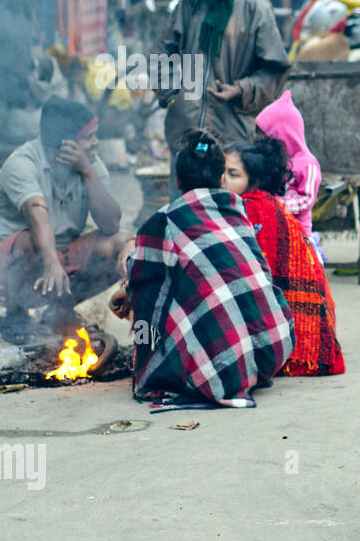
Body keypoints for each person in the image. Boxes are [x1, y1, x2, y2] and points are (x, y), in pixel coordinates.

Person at [118, 130, 293, 408]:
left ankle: (154, 373)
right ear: (222, 178)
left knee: (146, 286)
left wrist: (129, 286)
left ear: (177, 181)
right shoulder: (238, 212)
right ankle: (241, 363)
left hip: (222, 372)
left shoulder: (163, 221)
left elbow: (146, 288)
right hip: (273, 348)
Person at [0, 97, 128, 344]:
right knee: (29, 240)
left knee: (120, 242)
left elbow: (111, 224)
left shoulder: (90, 165)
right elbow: (37, 218)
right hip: (4, 272)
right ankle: (15, 315)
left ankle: (58, 311)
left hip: (56, 260)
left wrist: (88, 173)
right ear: (65, 144)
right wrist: (51, 263)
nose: (96, 142)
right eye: (89, 136)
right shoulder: (22, 163)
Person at [151, 0, 290, 199]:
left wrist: (239, 89)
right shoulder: (189, 3)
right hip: (186, 135)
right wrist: (170, 93)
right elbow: (160, 52)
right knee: (185, 215)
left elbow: (274, 71)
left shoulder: (256, 9)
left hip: (233, 139)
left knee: (229, 217)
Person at [222, 138, 345, 377]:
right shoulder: (259, 203)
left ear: (254, 180)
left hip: (293, 333)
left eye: (233, 174)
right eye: (223, 172)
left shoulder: (254, 208)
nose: (224, 179)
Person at [254, 88, 322, 247]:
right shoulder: (271, 161)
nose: (261, 142)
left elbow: (306, 199)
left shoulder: (308, 164)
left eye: (266, 136)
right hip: (273, 233)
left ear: (284, 135)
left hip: (299, 237)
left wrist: (277, 205)